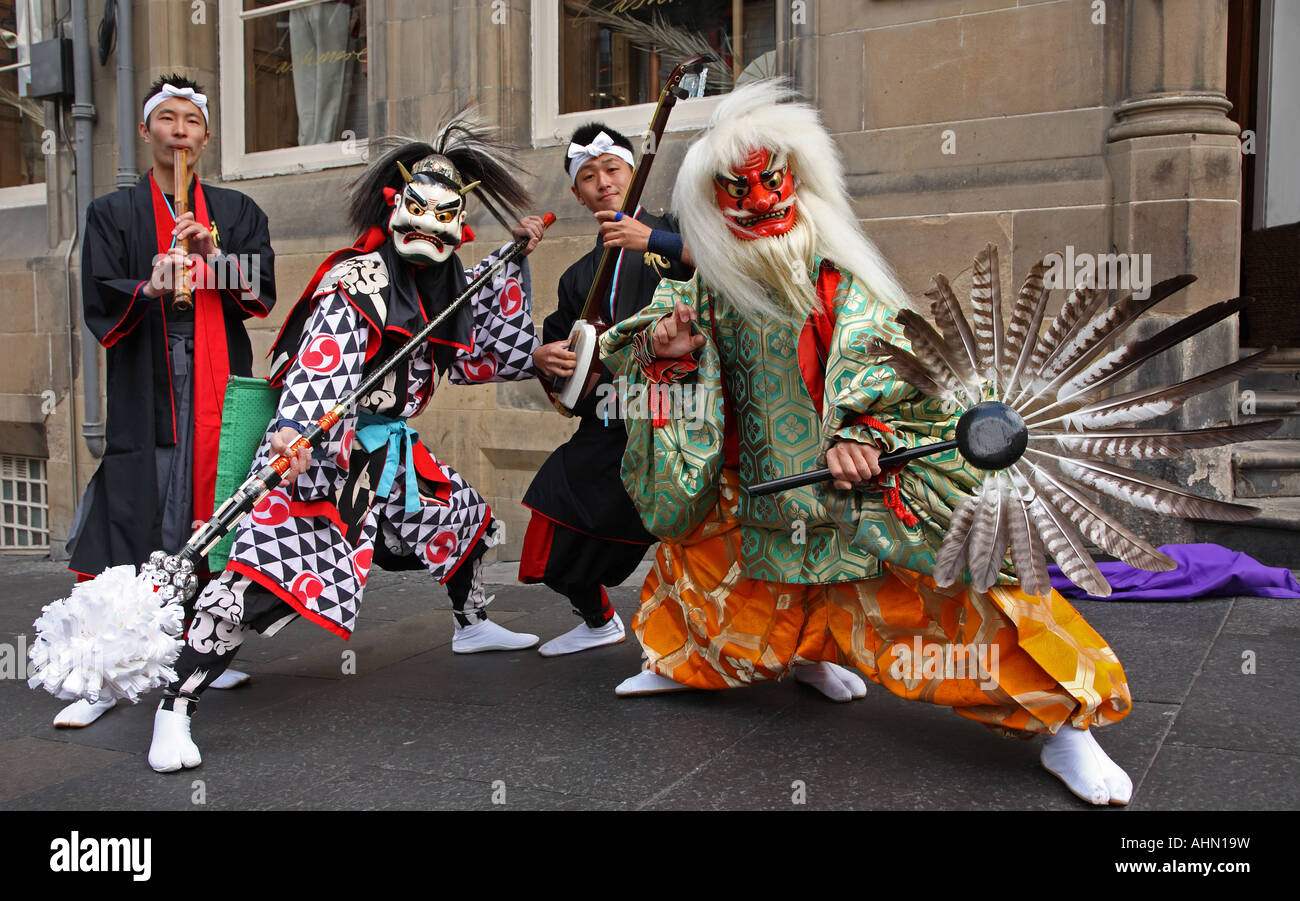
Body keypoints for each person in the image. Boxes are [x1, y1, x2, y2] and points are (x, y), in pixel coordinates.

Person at [599, 81, 1134, 805]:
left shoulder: (845, 281)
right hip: (759, 497)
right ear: (712, 199)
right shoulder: (708, 286)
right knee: (711, 585)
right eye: (737, 187)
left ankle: (1066, 722)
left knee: (960, 609)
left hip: (856, 500)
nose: (758, 200)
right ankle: (728, 663)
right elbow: (638, 352)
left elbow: (896, 361)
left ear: (798, 177)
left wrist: (864, 430)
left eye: (771, 179)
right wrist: (668, 351)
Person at [147, 119, 548, 773]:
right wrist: (294, 437)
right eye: (419, 211)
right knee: (253, 587)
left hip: (394, 455)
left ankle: (472, 623)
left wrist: (515, 259)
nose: (432, 229)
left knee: (468, 516)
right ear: (395, 209)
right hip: (323, 457)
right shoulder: (356, 284)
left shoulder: (442, 288)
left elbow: (489, 358)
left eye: (448, 218)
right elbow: (320, 368)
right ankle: (174, 705)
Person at [59, 74, 276, 728]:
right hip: (146, 371)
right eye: (167, 119)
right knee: (131, 509)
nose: (180, 131)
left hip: (215, 376)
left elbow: (260, 289)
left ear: (205, 137)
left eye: (191, 121)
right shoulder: (111, 214)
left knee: (211, 509)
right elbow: (100, 294)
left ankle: (203, 649)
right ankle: (108, 668)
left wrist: (216, 257)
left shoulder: (236, 212)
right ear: (149, 131)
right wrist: (150, 285)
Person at [519, 123, 693, 656]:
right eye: (588, 176)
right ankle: (598, 620)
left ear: (634, 173)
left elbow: (735, 267)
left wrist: (655, 241)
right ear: (577, 193)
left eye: (612, 169)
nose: (602, 182)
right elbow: (568, 352)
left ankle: (697, 641)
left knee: (692, 538)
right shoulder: (578, 276)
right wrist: (544, 360)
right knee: (554, 508)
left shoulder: (675, 231)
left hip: (684, 415)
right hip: (613, 418)